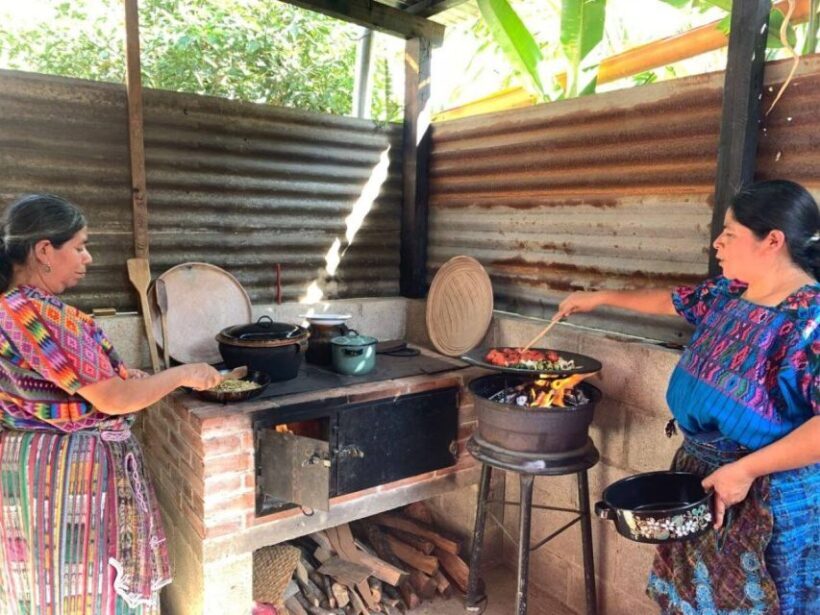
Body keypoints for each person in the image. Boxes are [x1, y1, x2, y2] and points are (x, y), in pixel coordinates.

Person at [556, 179, 819, 614]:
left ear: (773, 240)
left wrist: (745, 470)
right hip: (701, 480)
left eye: (730, 233)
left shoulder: (809, 317)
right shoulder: (730, 292)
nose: (717, 243)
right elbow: (670, 301)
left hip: (767, 496)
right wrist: (597, 298)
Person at [0, 194, 221, 614]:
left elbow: (63, 382)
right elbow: (112, 399)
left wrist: (129, 376)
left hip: (27, 471)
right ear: (45, 250)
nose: (88, 257)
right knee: (89, 587)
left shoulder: (12, 307)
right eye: (79, 245)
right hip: (69, 477)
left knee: (44, 585)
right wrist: (186, 373)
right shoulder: (37, 314)